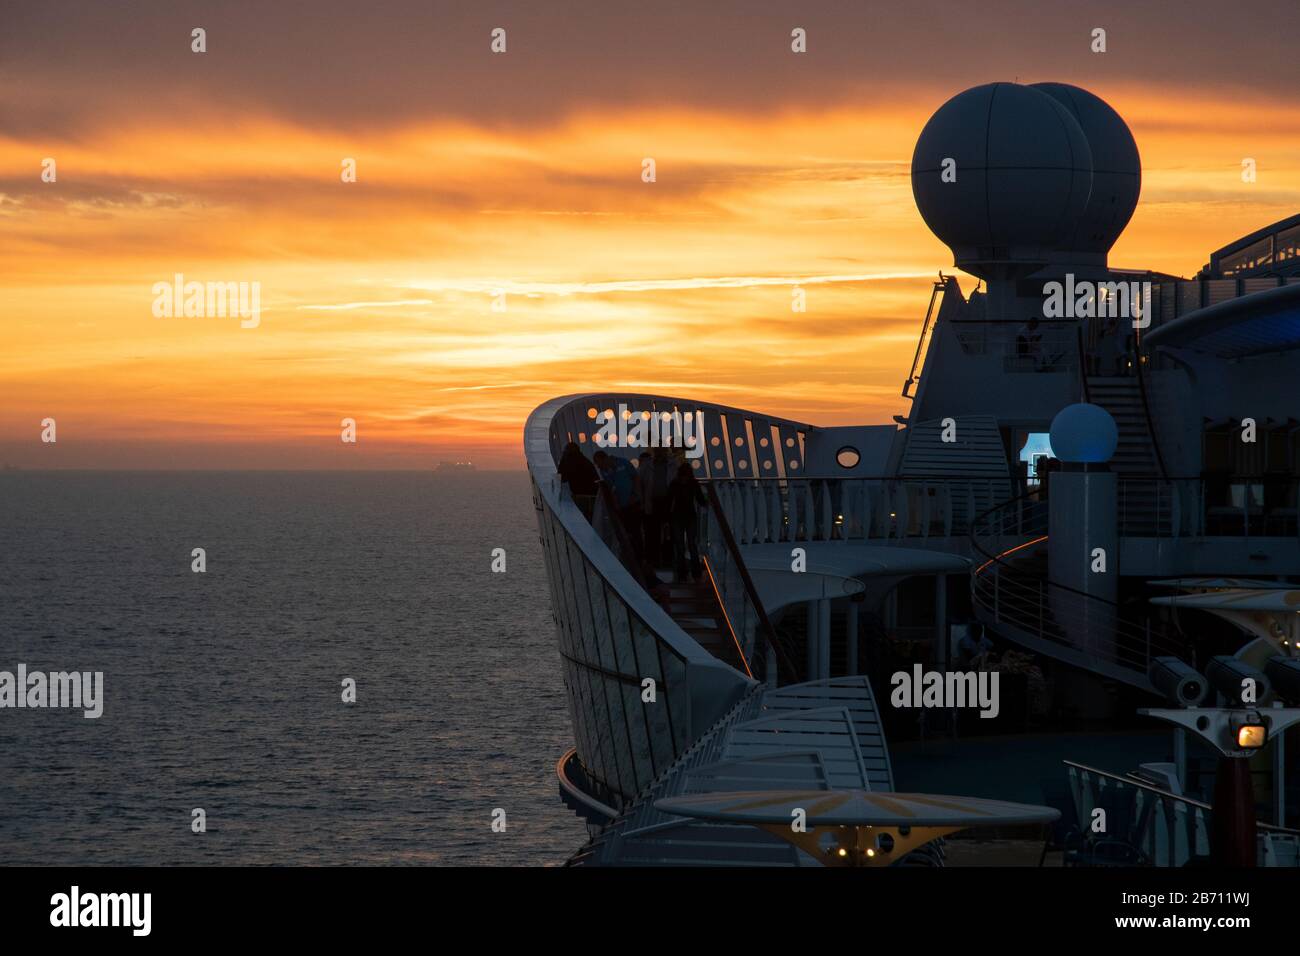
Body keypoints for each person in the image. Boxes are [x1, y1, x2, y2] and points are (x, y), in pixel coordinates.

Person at [593, 450, 643, 556]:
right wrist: (616, 503)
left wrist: (635, 494)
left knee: (636, 531)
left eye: (598, 463)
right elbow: (611, 487)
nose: (598, 466)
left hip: (633, 503)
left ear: (604, 459)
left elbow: (635, 477)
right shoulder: (604, 471)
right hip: (622, 506)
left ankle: (641, 556)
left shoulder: (623, 463)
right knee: (627, 532)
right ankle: (631, 555)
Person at [667, 461, 707, 582]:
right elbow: (700, 499)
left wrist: (667, 517)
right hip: (689, 516)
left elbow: (669, 500)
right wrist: (708, 502)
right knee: (690, 545)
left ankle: (683, 574)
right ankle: (695, 574)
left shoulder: (675, 484)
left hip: (679, 516)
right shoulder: (693, 484)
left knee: (681, 545)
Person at [638, 449, 672, 566]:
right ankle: (655, 558)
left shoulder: (671, 465)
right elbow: (640, 482)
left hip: (666, 502)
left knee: (665, 531)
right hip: (653, 502)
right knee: (653, 531)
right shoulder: (648, 466)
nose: (659, 453)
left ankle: (665, 558)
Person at [557, 442, 599, 519]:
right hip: (592, 495)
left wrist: (563, 459)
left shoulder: (570, 462)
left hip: (581, 496)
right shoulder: (585, 460)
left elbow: (562, 477)